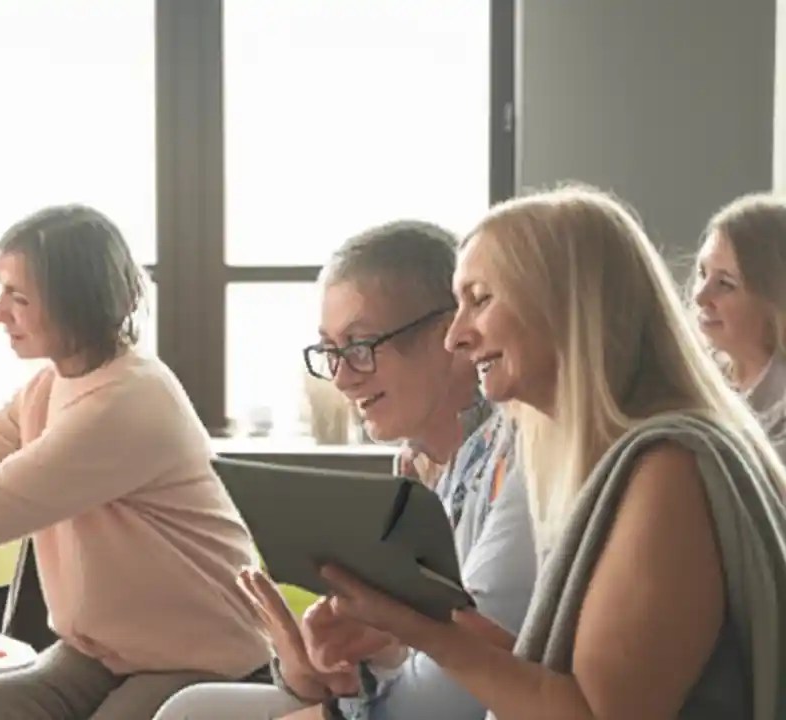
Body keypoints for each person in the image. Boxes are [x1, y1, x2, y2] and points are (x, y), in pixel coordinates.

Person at [319, 185, 786, 719]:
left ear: (564, 301)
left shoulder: (669, 470)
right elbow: (549, 683)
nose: (456, 338)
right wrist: (397, 638)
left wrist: (423, 631)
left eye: (480, 299)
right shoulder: (614, 463)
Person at [0, 204, 269, 719]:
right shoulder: (47, 387)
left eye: (18, 297)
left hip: (201, 653)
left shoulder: (127, 402)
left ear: (77, 301)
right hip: (105, 652)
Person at [154, 221, 535, 720]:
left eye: (360, 345)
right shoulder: (416, 467)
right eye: (330, 351)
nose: (341, 377)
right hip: (400, 702)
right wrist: (331, 666)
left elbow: (450, 699)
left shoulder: (517, 466)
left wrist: (342, 698)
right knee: (192, 708)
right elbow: (405, 657)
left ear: (452, 334)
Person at [692, 193, 786, 460]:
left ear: (774, 301)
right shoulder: (692, 376)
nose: (700, 297)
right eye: (702, 274)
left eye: (725, 284)